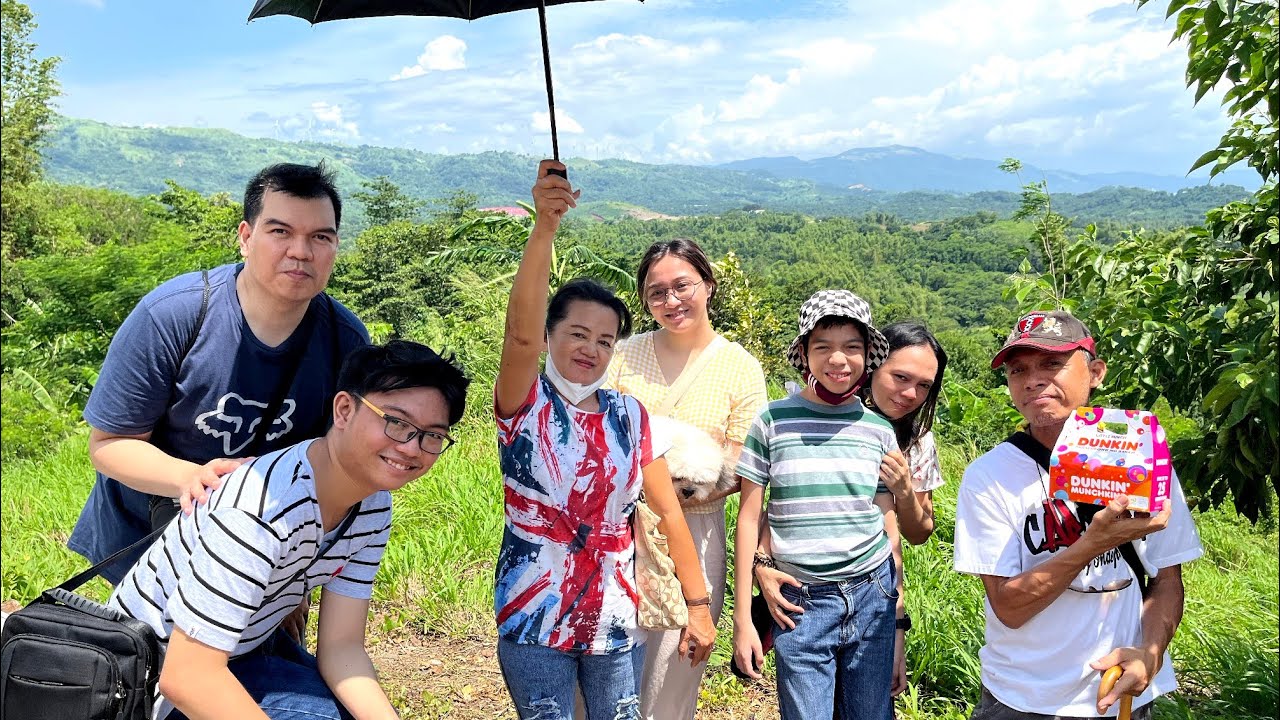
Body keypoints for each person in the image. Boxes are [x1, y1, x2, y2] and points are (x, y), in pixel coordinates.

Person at [107, 339, 470, 720]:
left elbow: (342, 648)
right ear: (344, 410)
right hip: (145, 690)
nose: (412, 448)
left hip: (237, 655)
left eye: (432, 435)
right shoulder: (261, 509)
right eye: (396, 423)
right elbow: (188, 679)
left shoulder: (373, 505)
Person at [69, 162, 370, 594]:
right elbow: (109, 445)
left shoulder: (345, 340)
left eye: (320, 237)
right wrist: (192, 478)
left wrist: (295, 582)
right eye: (280, 231)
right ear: (245, 237)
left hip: (262, 549)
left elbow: (332, 462)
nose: (301, 251)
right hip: (147, 535)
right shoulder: (172, 316)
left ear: (336, 245)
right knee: (147, 638)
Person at [494, 160, 716, 720]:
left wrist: (699, 605)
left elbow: (668, 513)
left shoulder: (629, 416)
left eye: (604, 339)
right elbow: (518, 336)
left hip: (615, 620)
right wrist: (544, 227)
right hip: (534, 616)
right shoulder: (526, 404)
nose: (590, 349)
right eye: (576, 333)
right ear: (550, 335)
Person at [953, 310, 1203, 719]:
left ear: (1096, 373)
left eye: (1052, 363)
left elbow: (1166, 579)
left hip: (1121, 691)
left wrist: (1150, 653)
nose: (1033, 380)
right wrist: (1093, 544)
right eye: (1018, 370)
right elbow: (1009, 607)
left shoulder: (1144, 461)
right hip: (1023, 699)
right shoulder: (989, 476)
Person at [606, 237, 768, 720]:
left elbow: (741, 466)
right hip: (616, 530)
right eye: (656, 292)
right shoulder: (623, 355)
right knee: (605, 665)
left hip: (696, 534)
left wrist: (667, 489)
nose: (671, 301)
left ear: (708, 286)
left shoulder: (740, 367)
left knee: (670, 675)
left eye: (682, 286)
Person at [733, 290, 902, 720]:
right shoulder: (772, 421)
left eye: (852, 347)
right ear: (804, 354)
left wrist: (898, 619)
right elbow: (749, 518)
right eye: (823, 346)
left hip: (872, 595)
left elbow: (888, 525)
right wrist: (743, 618)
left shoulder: (879, 430)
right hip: (799, 604)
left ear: (867, 355)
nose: (838, 359)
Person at [756, 320, 948, 698]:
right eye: (901, 377)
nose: (910, 393)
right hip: (806, 591)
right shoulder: (812, 412)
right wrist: (760, 563)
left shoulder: (917, 441)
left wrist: (903, 490)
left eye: (924, 385)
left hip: (873, 595)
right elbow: (780, 501)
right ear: (872, 361)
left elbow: (918, 532)